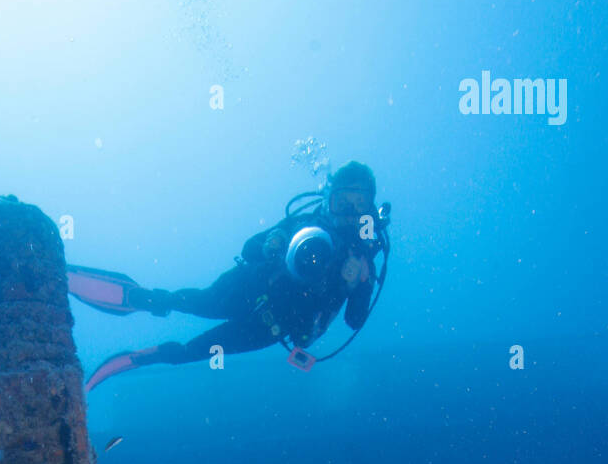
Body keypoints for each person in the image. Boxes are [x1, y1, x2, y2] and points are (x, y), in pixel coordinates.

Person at [67, 161, 389, 391]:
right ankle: (140, 298)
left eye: (359, 205)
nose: (348, 212)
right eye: (341, 202)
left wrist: (356, 286)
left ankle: (141, 359)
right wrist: (272, 243)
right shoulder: (303, 224)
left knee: (192, 352)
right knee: (187, 302)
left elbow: (355, 321)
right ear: (328, 200)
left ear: (370, 211)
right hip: (247, 288)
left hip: (272, 327)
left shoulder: (363, 263)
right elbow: (249, 249)